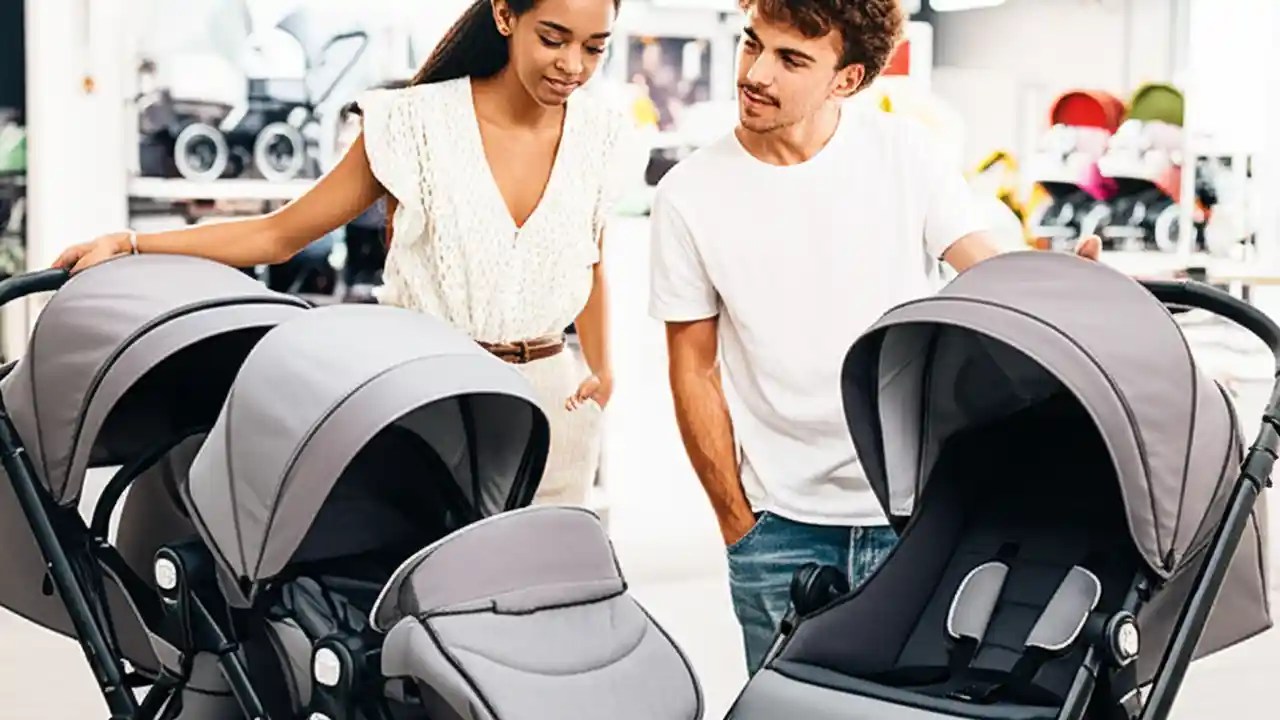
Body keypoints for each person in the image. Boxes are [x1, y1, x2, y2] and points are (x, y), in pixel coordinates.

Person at [647, 0, 1102, 674]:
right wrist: (737, 525)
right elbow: (692, 368)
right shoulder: (689, 193)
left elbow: (981, 260)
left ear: (848, 79)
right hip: (779, 527)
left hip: (912, 513)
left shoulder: (903, 156)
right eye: (752, 45)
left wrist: (1061, 285)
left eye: (791, 58)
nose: (756, 72)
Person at [52, 0, 646, 507]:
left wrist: (603, 368)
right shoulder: (415, 124)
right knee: (423, 611)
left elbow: (587, 260)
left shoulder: (602, 137)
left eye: (595, 48)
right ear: (503, 14)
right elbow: (278, 234)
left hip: (553, 413)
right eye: (553, 38)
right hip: (433, 402)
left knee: (543, 615)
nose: (573, 65)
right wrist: (131, 245)